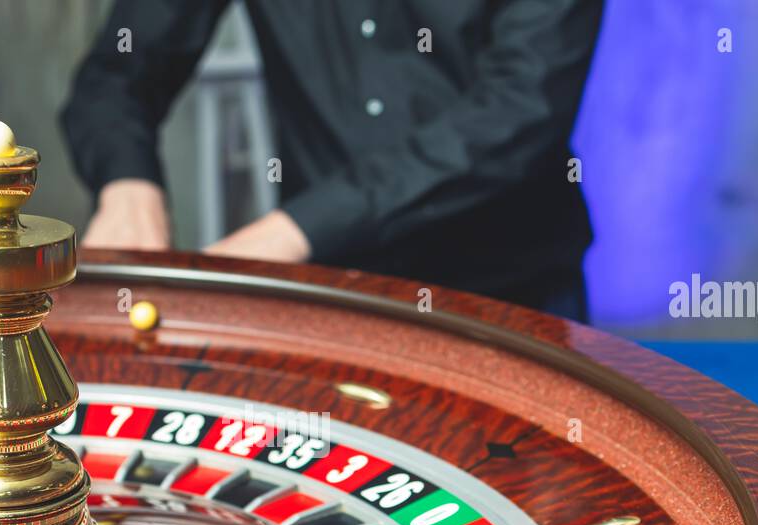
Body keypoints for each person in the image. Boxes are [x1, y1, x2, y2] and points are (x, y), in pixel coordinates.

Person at [61, 0, 603, 322]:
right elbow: (118, 74)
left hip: (512, 291)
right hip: (332, 297)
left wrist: (296, 229)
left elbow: (522, 110)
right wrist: (127, 184)